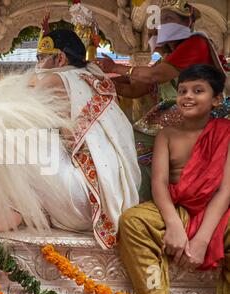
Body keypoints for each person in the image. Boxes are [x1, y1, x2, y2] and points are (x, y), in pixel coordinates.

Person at [0, 20, 141, 250]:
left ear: (60, 59)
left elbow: (19, 126)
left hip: (80, 199)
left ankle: (14, 212)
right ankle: (19, 210)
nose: (38, 64)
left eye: (42, 57)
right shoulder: (96, 80)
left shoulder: (57, 79)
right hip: (106, 204)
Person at [118, 64, 230, 294]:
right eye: (182, 91)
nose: (188, 96)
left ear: (217, 99)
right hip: (177, 209)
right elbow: (159, 183)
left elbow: (225, 191)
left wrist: (202, 240)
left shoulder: (226, 132)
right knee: (132, 221)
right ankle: (154, 292)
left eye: (198, 91)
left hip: (218, 214)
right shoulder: (166, 134)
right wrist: (173, 225)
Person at [96, 0, 227, 200]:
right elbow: (136, 89)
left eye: (168, 19)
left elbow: (152, 76)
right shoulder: (168, 58)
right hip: (177, 112)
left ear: (188, 22)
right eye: (158, 23)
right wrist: (100, 84)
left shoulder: (196, 43)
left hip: (198, 114)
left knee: (136, 141)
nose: (160, 27)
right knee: (127, 136)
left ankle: (142, 199)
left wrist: (115, 68)